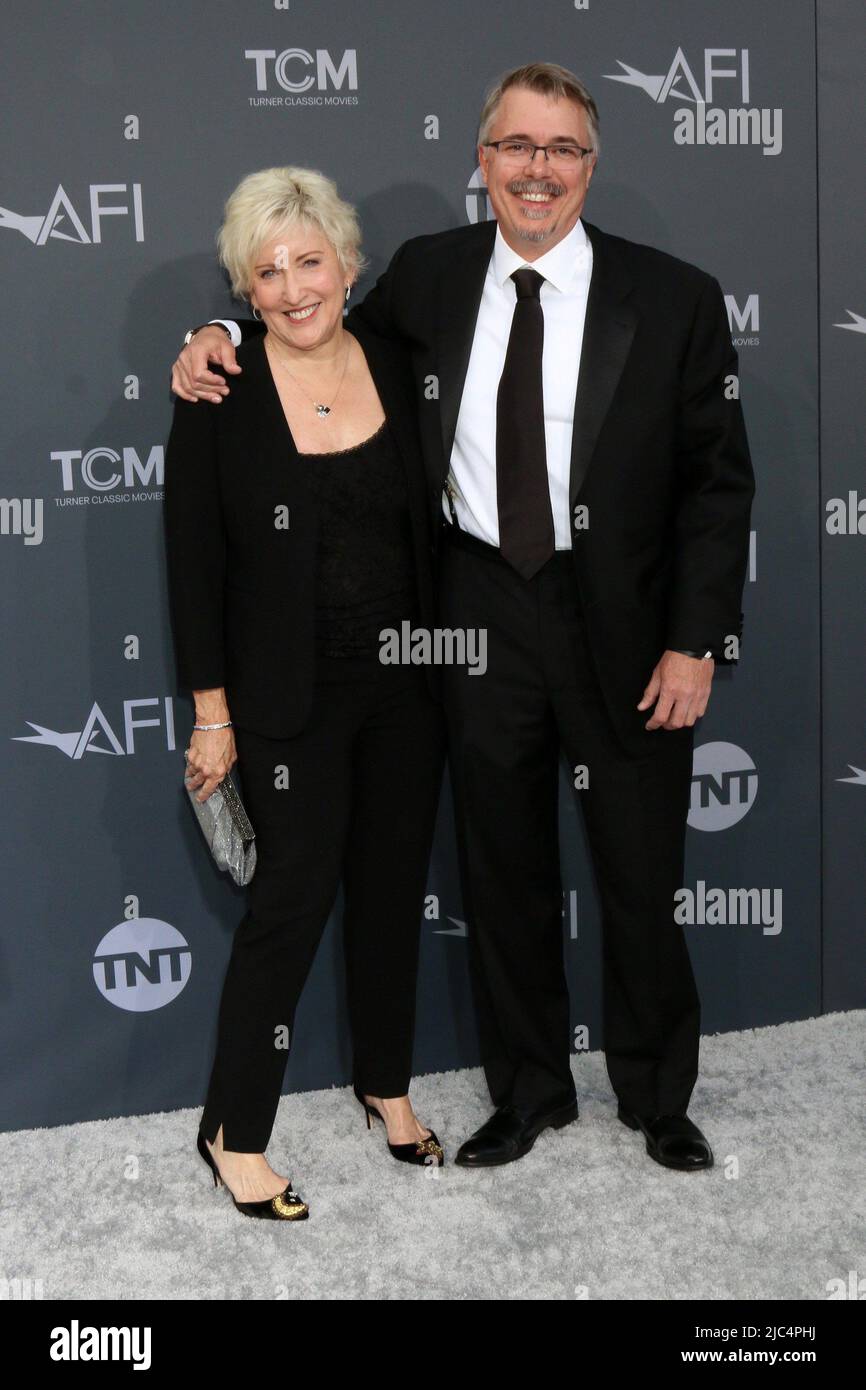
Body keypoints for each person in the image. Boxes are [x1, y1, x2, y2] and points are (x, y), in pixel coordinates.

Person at [171, 63, 755, 1174]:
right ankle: (528, 1090)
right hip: (475, 614)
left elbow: (717, 489)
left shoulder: (675, 296)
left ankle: (656, 1096)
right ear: (480, 161)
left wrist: (694, 638)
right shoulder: (429, 279)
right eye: (514, 147)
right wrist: (213, 335)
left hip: (630, 631)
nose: (536, 169)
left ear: (590, 164)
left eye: (561, 149)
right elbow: (303, 319)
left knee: (639, 872)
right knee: (502, 873)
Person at [163, 166, 447, 1221]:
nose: (291, 288)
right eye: (265, 272)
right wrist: (213, 715)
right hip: (289, 702)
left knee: (390, 890)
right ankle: (233, 1128)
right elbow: (192, 568)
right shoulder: (219, 392)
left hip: (409, 690)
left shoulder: (400, 351)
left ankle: (385, 1083)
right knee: (289, 903)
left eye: (307, 260)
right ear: (243, 291)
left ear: (347, 262)